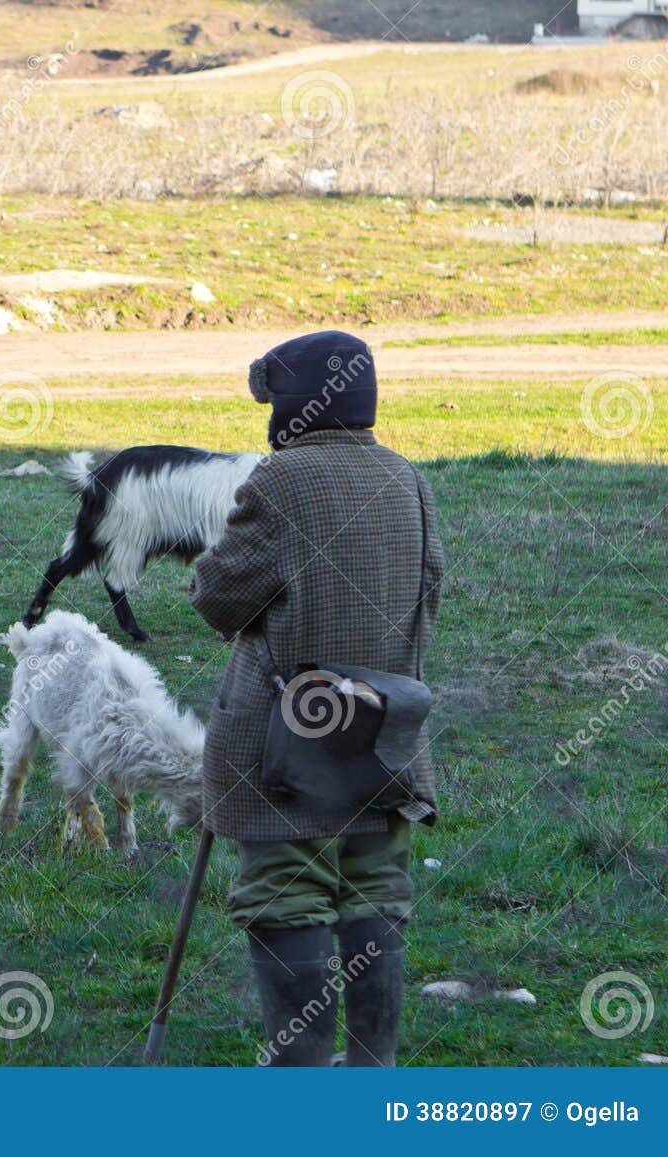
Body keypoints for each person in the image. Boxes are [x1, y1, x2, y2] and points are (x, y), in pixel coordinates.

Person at [190, 330, 445, 1067]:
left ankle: (301, 1083)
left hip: (284, 751)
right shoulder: (410, 480)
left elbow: (219, 599)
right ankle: (371, 1075)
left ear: (293, 406)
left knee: (285, 892)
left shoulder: (279, 481)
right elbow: (428, 599)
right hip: (384, 738)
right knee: (375, 885)